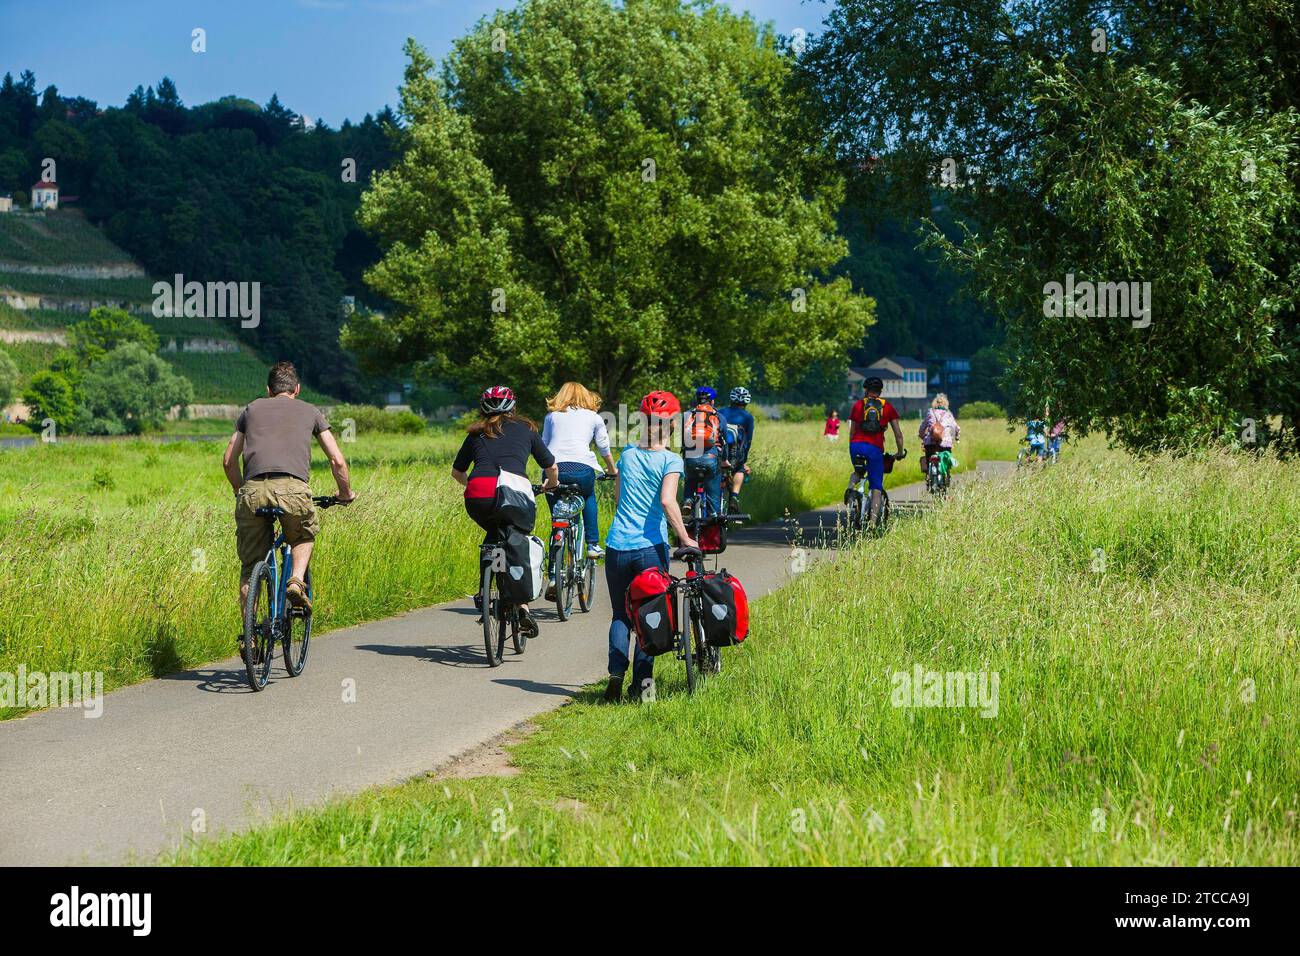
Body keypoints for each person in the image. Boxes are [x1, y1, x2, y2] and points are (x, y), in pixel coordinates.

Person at [223, 361, 355, 619]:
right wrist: (345, 493)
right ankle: (295, 581)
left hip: (252, 491)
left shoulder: (251, 409)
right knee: (303, 536)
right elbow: (337, 460)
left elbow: (228, 460)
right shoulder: (311, 411)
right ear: (297, 389)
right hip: (293, 489)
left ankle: (250, 638)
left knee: (250, 568)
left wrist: (242, 492)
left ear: (268, 390)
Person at [603, 391, 697, 703]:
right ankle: (643, 683)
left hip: (617, 546)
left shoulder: (627, 455)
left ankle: (616, 675)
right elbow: (668, 501)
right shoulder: (671, 460)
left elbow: (618, 500)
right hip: (649, 549)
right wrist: (685, 538)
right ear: (672, 424)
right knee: (649, 614)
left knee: (621, 615)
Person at [451, 385, 558, 638]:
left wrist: (477, 485)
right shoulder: (526, 429)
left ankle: (483, 590)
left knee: (493, 533)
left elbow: (457, 472)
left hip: (478, 496)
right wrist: (551, 484)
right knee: (515, 538)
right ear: (513, 407)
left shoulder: (475, 434)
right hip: (513, 495)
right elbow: (551, 466)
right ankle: (521, 605)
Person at [541, 382, 617, 566]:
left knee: (558, 517)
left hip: (554, 470)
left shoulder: (551, 416)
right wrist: (612, 470)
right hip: (581, 470)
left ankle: (553, 573)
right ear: (586, 397)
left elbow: (543, 445)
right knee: (588, 494)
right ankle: (592, 544)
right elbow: (603, 447)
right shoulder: (594, 417)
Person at [845, 376, 905, 523]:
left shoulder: (858, 405)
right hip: (875, 448)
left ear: (866, 389)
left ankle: (851, 489)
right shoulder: (888, 407)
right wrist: (900, 451)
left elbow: (852, 432)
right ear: (880, 391)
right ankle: (872, 522)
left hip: (856, 446)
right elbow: (898, 434)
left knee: (858, 471)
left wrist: (852, 447)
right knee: (876, 486)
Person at [681, 385, 725, 517]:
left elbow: (682, 440)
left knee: (690, 479)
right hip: (711, 457)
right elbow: (724, 442)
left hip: (691, 457)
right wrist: (725, 460)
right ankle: (713, 513)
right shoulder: (719, 416)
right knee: (714, 483)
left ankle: (687, 501)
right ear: (712, 401)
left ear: (697, 400)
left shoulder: (688, 415)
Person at [719, 386, 755, 512]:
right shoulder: (748, 417)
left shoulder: (721, 412)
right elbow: (748, 440)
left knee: (718, 471)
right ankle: (734, 497)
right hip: (736, 453)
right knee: (739, 469)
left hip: (719, 451)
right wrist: (744, 460)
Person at [918, 393, 960, 475]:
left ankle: (928, 476)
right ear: (946, 404)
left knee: (928, 459)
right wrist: (957, 437)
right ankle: (946, 475)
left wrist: (922, 436)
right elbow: (956, 428)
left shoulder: (930, 412)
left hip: (930, 443)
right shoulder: (949, 415)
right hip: (946, 444)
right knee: (946, 462)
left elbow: (922, 427)